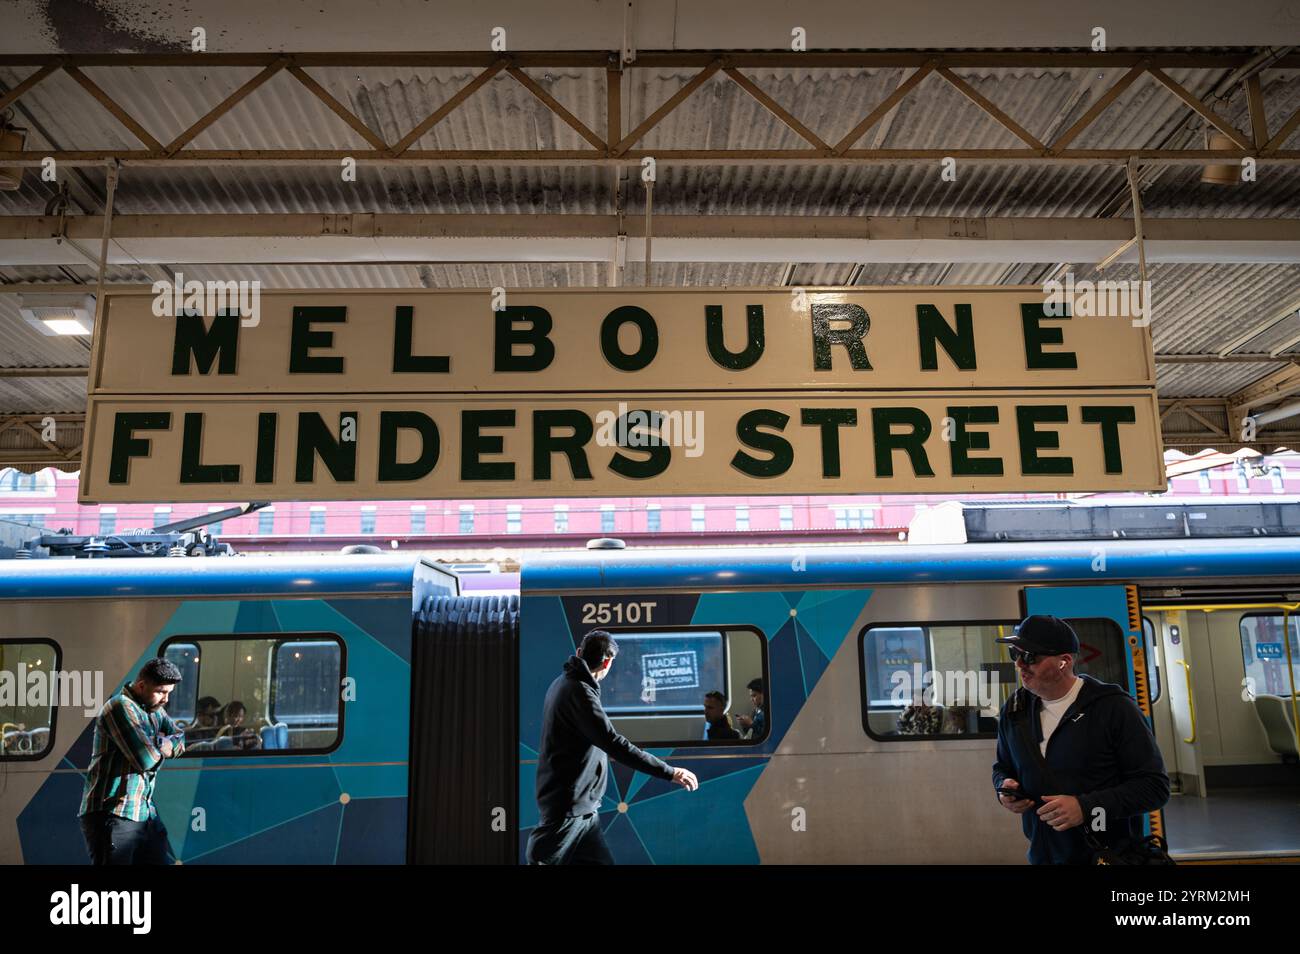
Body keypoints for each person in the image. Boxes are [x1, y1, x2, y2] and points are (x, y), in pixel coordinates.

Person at [991, 615, 1170, 865]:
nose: (1020, 664)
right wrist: (1005, 788)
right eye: (1015, 654)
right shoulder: (1015, 709)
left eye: (1031, 656)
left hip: (1105, 857)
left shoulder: (1114, 708)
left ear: (1064, 661)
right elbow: (1002, 766)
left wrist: (1085, 807)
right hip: (1043, 856)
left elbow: (1155, 788)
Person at [528, 629, 700, 864]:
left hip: (584, 811)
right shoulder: (579, 692)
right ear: (608, 662)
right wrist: (670, 772)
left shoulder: (565, 684)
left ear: (579, 652)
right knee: (542, 857)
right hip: (569, 808)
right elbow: (614, 744)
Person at [78, 657, 188, 865]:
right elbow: (145, 759)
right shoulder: (120, 707)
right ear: (141, 686)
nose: (166, 699)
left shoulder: (155, 711)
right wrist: (163, 745)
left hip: (143, 813)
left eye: (169, 693)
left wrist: (167, 746)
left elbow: (181, 738)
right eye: (161, 692)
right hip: (112, 813)